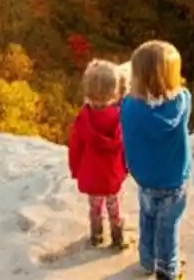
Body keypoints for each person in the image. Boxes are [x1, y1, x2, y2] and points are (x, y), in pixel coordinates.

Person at [121, 40, 193, 280]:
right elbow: (181, 93)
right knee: (168, 225)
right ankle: (168, 269)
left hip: (145, 178)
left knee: (148, 217)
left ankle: (147, 260)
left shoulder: (129, 106)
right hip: (174, 179)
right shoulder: (182, 102)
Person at [67, 59, 130, 249]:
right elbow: (125, 147)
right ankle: (117, 237)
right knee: (114, 207)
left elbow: (75, 148)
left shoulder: (83, 119)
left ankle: (96, 236)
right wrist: (126, 168)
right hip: (112, 174)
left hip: (91, 175)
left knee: (95, 208)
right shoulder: (120, 118)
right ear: (116, 90)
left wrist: (76, 169)